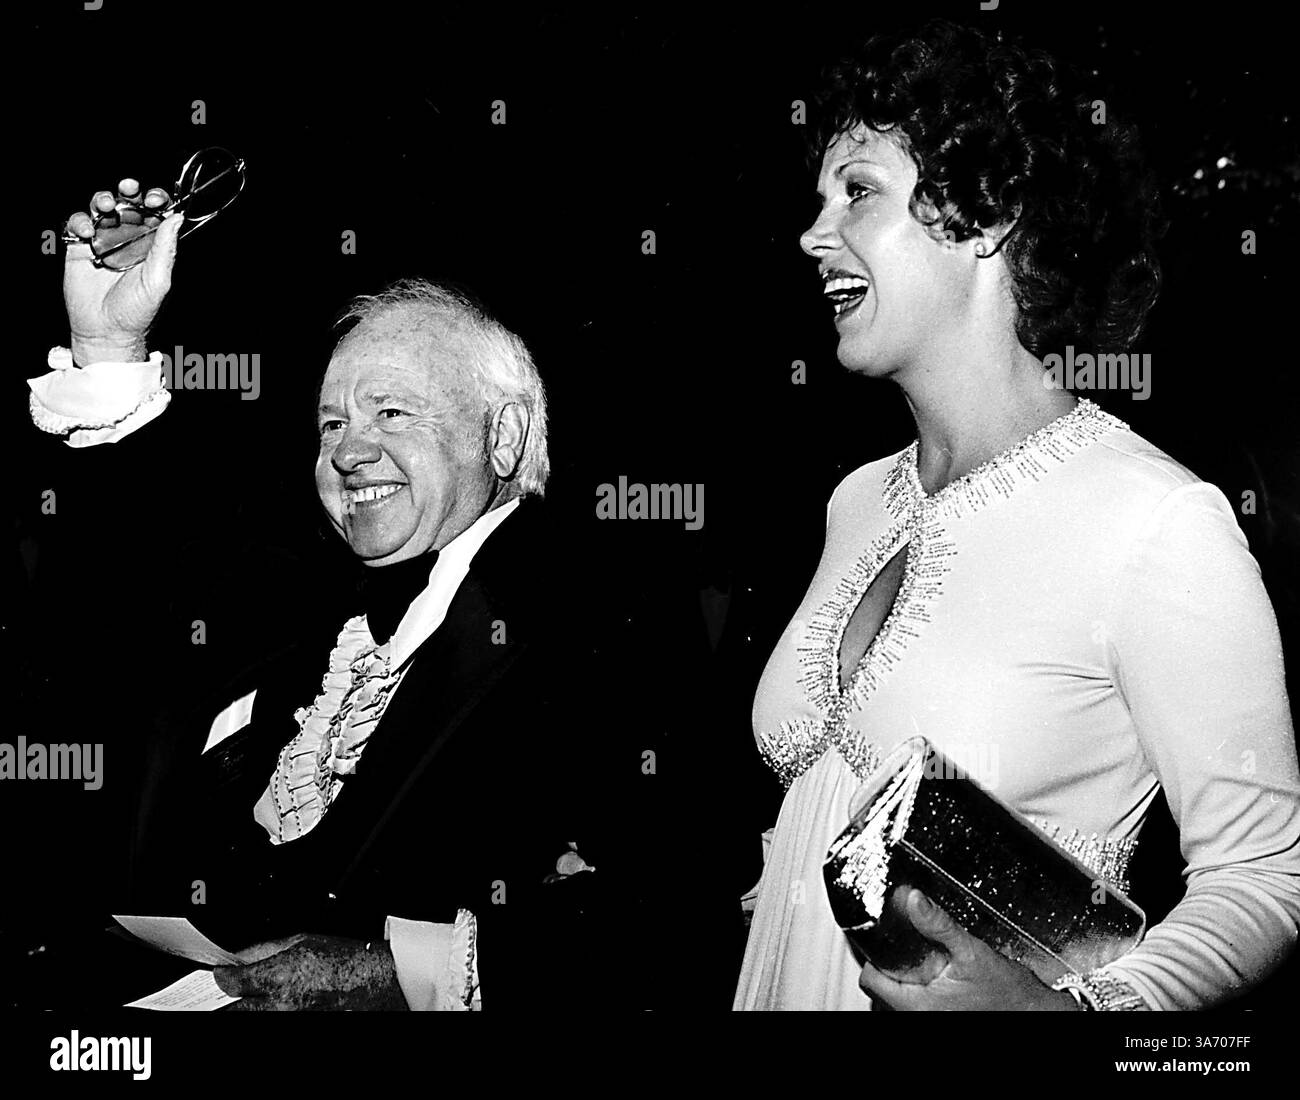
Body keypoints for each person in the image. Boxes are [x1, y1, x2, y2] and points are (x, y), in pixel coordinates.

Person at [733, 20, 1300, 1011]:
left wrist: (1069, 1016)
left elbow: (1261, 884)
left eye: (857, 191)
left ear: (982, 215)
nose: (812, 233)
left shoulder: (1156, 519)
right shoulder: (854, 499)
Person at [32, 176, 633, 1011]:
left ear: (504, 435)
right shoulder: (311, 609)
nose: (350, 452)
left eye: (391, 413)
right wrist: (108, 353)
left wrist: (402, 975)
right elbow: (127, 599)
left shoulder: (597, 616)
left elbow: (670, 906)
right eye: (331, 424)